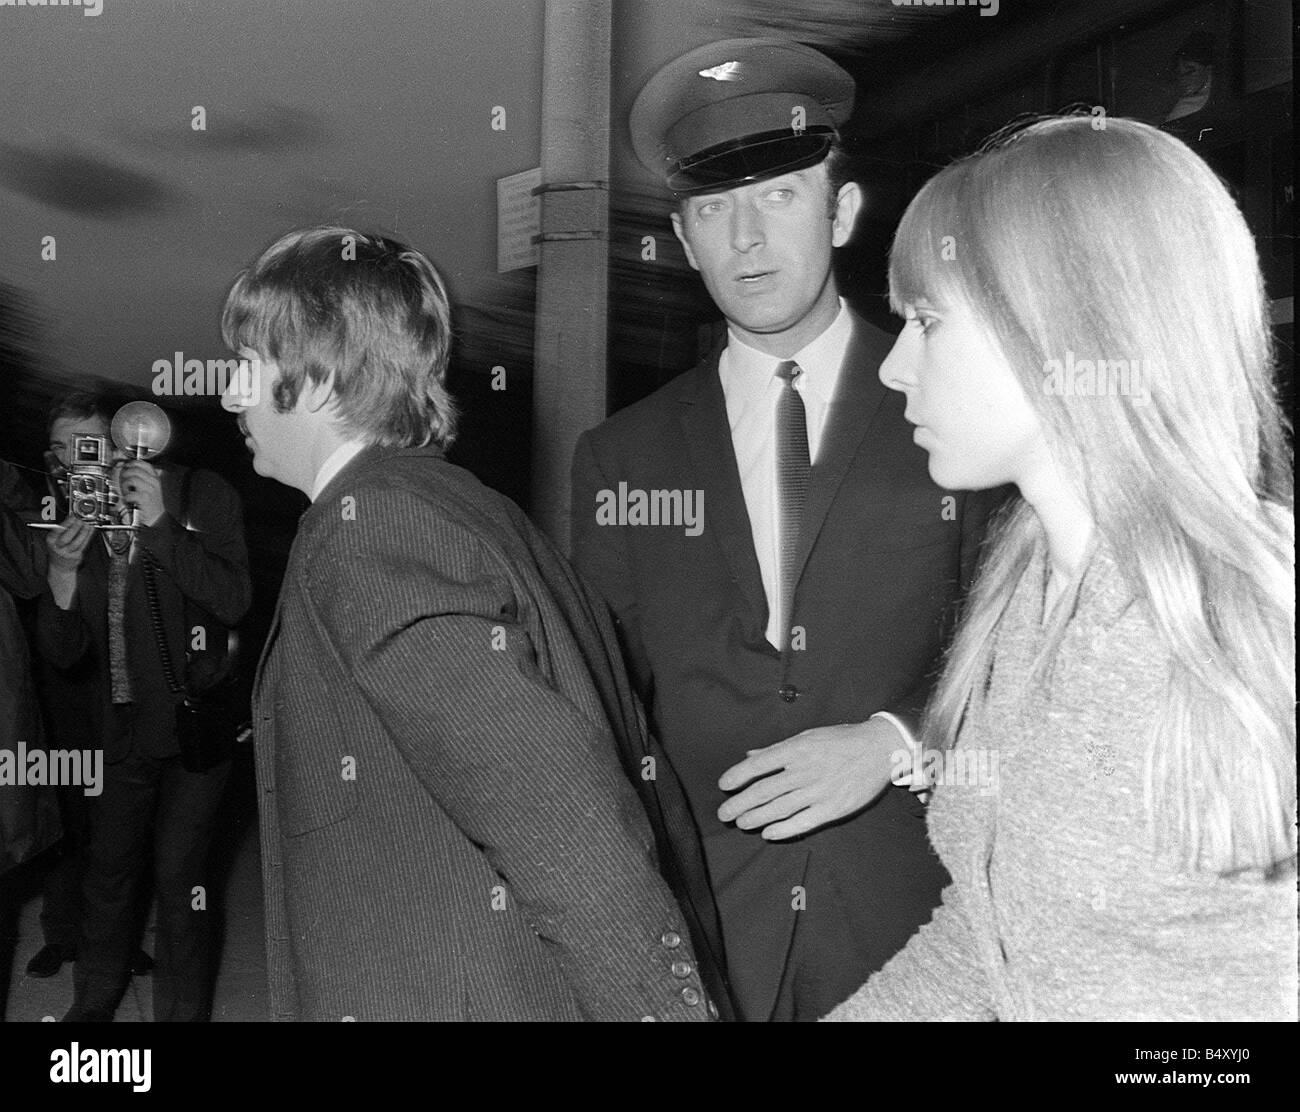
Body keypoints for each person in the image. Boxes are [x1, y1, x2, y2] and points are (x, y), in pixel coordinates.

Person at [571, 38, 1006, 1021]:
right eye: (714, 210)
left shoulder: (962, 409)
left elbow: (1021, 650)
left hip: (921, 921)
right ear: (682, 239)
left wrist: (898, 738)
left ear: (841, 210)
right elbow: (607, 705)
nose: (746, 239)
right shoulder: (620, 456)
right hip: (710, 938)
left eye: (777, 195)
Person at [826, 114, 1295, 1021]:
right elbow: (995, 937)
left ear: (1057, 326)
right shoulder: (1029, 590)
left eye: (926, 321)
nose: (895, 367)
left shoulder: (1251, 613)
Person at [219, 226, 714, 1021]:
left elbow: (560, 812)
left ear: (312, 378)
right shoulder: (470, 507)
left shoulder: (371, 531)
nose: (228, 396)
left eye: (245, 366)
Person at [38, 391, 251, 1021]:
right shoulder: (77, 517)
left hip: (193, 731)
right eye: (59, 451)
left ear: (133, 438)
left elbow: (234, 598)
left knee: (179, 878)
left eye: (87, 445)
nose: (73, 463)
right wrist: (61, 573)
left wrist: (158, 524)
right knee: (107, 874)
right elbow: (63, 651)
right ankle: (92, 1007)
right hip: (121, 731)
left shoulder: (198, 494)